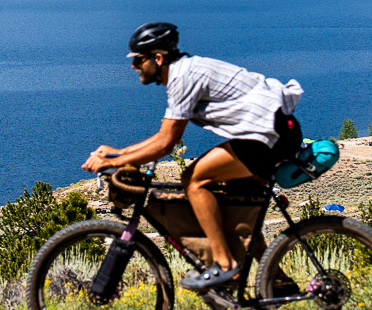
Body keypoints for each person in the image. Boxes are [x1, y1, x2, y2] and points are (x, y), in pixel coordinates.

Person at [82, 22, 300, 292]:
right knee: (235, 210)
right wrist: (118, 153)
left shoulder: (183, 77)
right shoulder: (184, 71)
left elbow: (165, 144)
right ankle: (277, 282)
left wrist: (113, 162)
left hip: (268, 138)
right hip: (274, 134)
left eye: (138, 59)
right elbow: (164, 135)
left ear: (158, 58)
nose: (133, 66)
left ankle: (224, 265)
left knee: (193, 179)